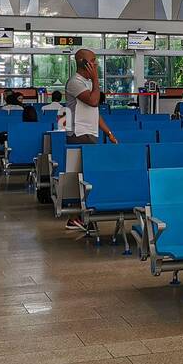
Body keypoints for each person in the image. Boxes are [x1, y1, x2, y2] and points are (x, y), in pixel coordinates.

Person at [65, 49, 117, 229]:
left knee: (86, 175)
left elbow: (95, 112)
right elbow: (94, 101)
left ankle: (80, 216)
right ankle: (77, 217)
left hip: (89, 133)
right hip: (79, 133)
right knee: (82, 176)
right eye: (93, 60)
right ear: (83, 63)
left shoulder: (86, 83)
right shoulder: (75, 82)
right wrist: (96, 79)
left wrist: (109, 133)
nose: (96, 64)